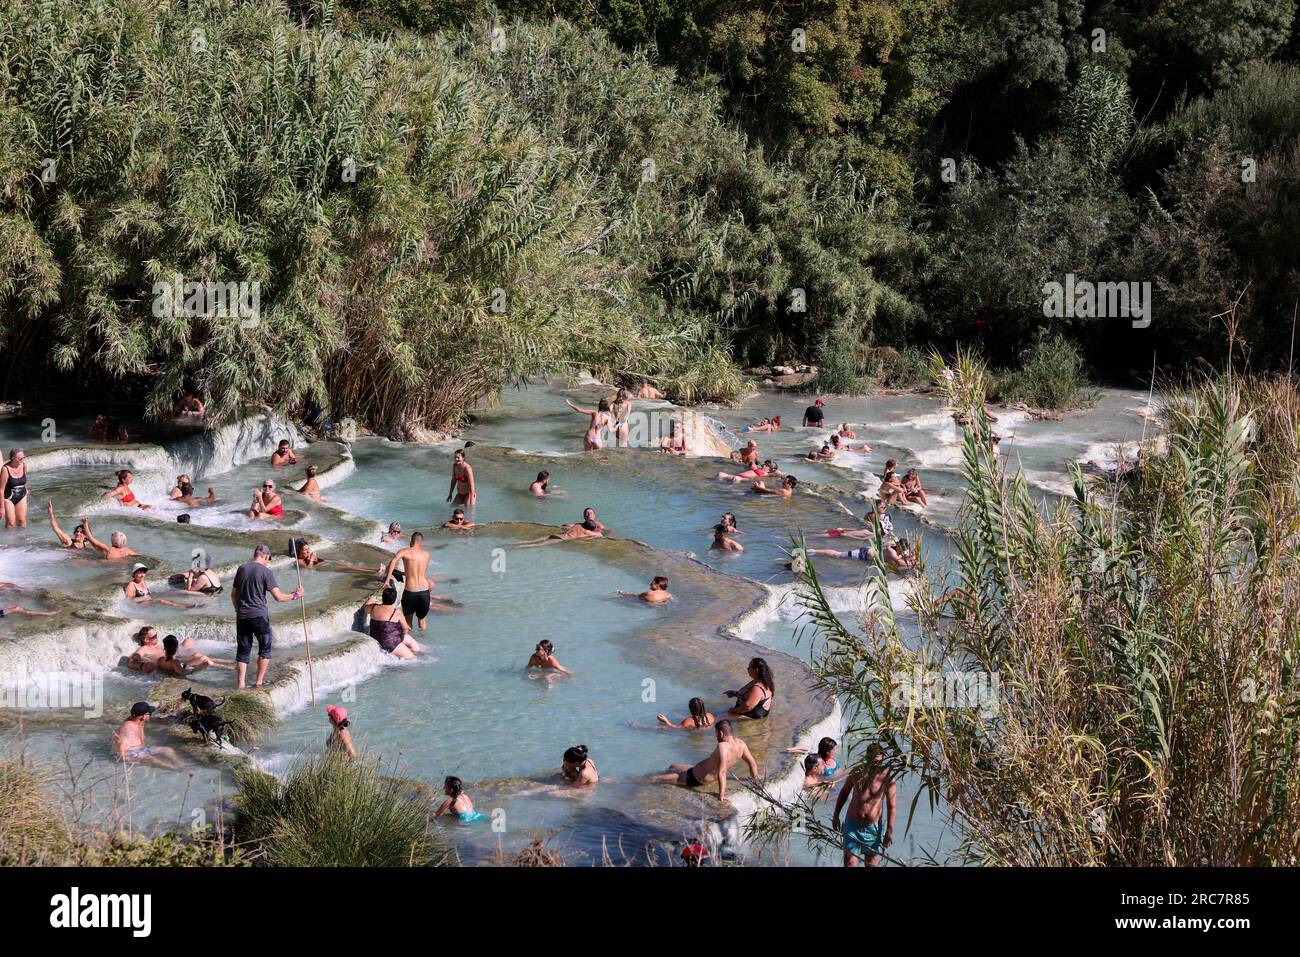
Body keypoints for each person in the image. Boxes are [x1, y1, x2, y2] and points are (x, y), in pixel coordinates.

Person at [231, 544, 303, 688]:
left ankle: (241, 685)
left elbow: (233, 594)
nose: (267, 561)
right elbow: (279, 597)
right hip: (259, 617)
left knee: (243, 651)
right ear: (264, 556)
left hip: (242, 616)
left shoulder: (242, 569)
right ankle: (258, 682)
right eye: (268, 559)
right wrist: (297, 595)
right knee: (265, 649)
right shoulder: (266, 572)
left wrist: (238, 610)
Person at [653, 719, 760, 802]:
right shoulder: (741, 744)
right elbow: (753, 764)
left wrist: (721, 794)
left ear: (721, 733)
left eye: (716, 733)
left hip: (695, 778)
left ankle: (636, 782)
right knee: (673, 766)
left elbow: (722, 772)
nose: (716, 736)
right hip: (695, 770)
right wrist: (755, 782)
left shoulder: (722, 746)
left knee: (655, 778)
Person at [832, 743, 896, 866]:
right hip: (852, 826)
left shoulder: (887, 777)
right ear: (867, 757)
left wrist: (889, 831)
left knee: (871, 864)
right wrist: (836, 815)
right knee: (849, 864)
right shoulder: (857, 771)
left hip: (873, 829)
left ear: (883, 758)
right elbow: (844, 792)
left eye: (878, 761)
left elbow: (891, 807)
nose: (875, 764)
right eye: (872, 760)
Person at [382, 532, 446, 630]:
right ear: (421, 542)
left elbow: (393, 562)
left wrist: (387, 580)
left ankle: (411, 642)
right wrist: (403, 573)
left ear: (412, 540)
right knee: (422, 620)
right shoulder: (426, 554)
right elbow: (420, 572)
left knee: (408, 621)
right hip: (425, 591)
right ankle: (424, 641)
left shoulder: (404, 551)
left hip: (411, 591)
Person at [112, 702, 185, 769]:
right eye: (149, 713)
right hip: (131, 753)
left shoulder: (138, 720)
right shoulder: (128, 729)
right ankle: (173, 768)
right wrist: (131, 760)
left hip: (141, 750)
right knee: (150, 758)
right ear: (143, 716)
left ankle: (181, 764)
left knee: (168, 750)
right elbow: (119, 751)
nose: (150, 715)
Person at [361, 586, 426, 658]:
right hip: (390, 643)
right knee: (413, 658)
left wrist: (371, 599)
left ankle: (414, 651)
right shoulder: (396, 611)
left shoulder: (373, 607)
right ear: (394, 599)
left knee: (412, 642)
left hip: (376, 637)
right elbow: (405, 629)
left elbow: (365, 608)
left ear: (383, 598)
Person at [516, 509, 605, 546]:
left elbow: (565, 525)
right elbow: (600, 534)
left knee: (532, 541)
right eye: (587, 513)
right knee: (536, 545)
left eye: (591, 513)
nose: (589, 515)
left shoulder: (578, 524)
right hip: (562, 539)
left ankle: (514, 543)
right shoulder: (588, 530)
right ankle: (519, 547)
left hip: (559, 534)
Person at [123, 563, 196, 607]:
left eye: (143, 573)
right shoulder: (131, 585)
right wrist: (145, 598)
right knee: (161, 601)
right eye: (139, 573)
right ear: (133, 574)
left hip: (148, 599)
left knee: (174, 592)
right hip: (141, 605)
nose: (142, 575)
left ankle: (189, 603)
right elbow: (129, 601)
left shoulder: (143, 582)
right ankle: (183, 606)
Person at [157, 633, 230, 674]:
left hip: (181, 664)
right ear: (177, 648)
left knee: (196, 655)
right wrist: (200, 667)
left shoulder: (161, 659)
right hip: (183, 667)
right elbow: (184, 672)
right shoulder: (175, 663)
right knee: (203, 659)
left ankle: (227, 663)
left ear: (165, 648)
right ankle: (227, 666)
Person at [1, 448, 29, 529]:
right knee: (10, 523)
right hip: (8, 498)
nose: (22, 460)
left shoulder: (23, 465)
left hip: (21, 496)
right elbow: (1, 490)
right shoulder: (5, 469)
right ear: (13, 458)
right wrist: (1, 508)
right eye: (20, 458)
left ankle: (22, 540)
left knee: (22, 521)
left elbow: (24, 480)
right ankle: (9, 541)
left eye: (23, 458)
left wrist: (26, 490)